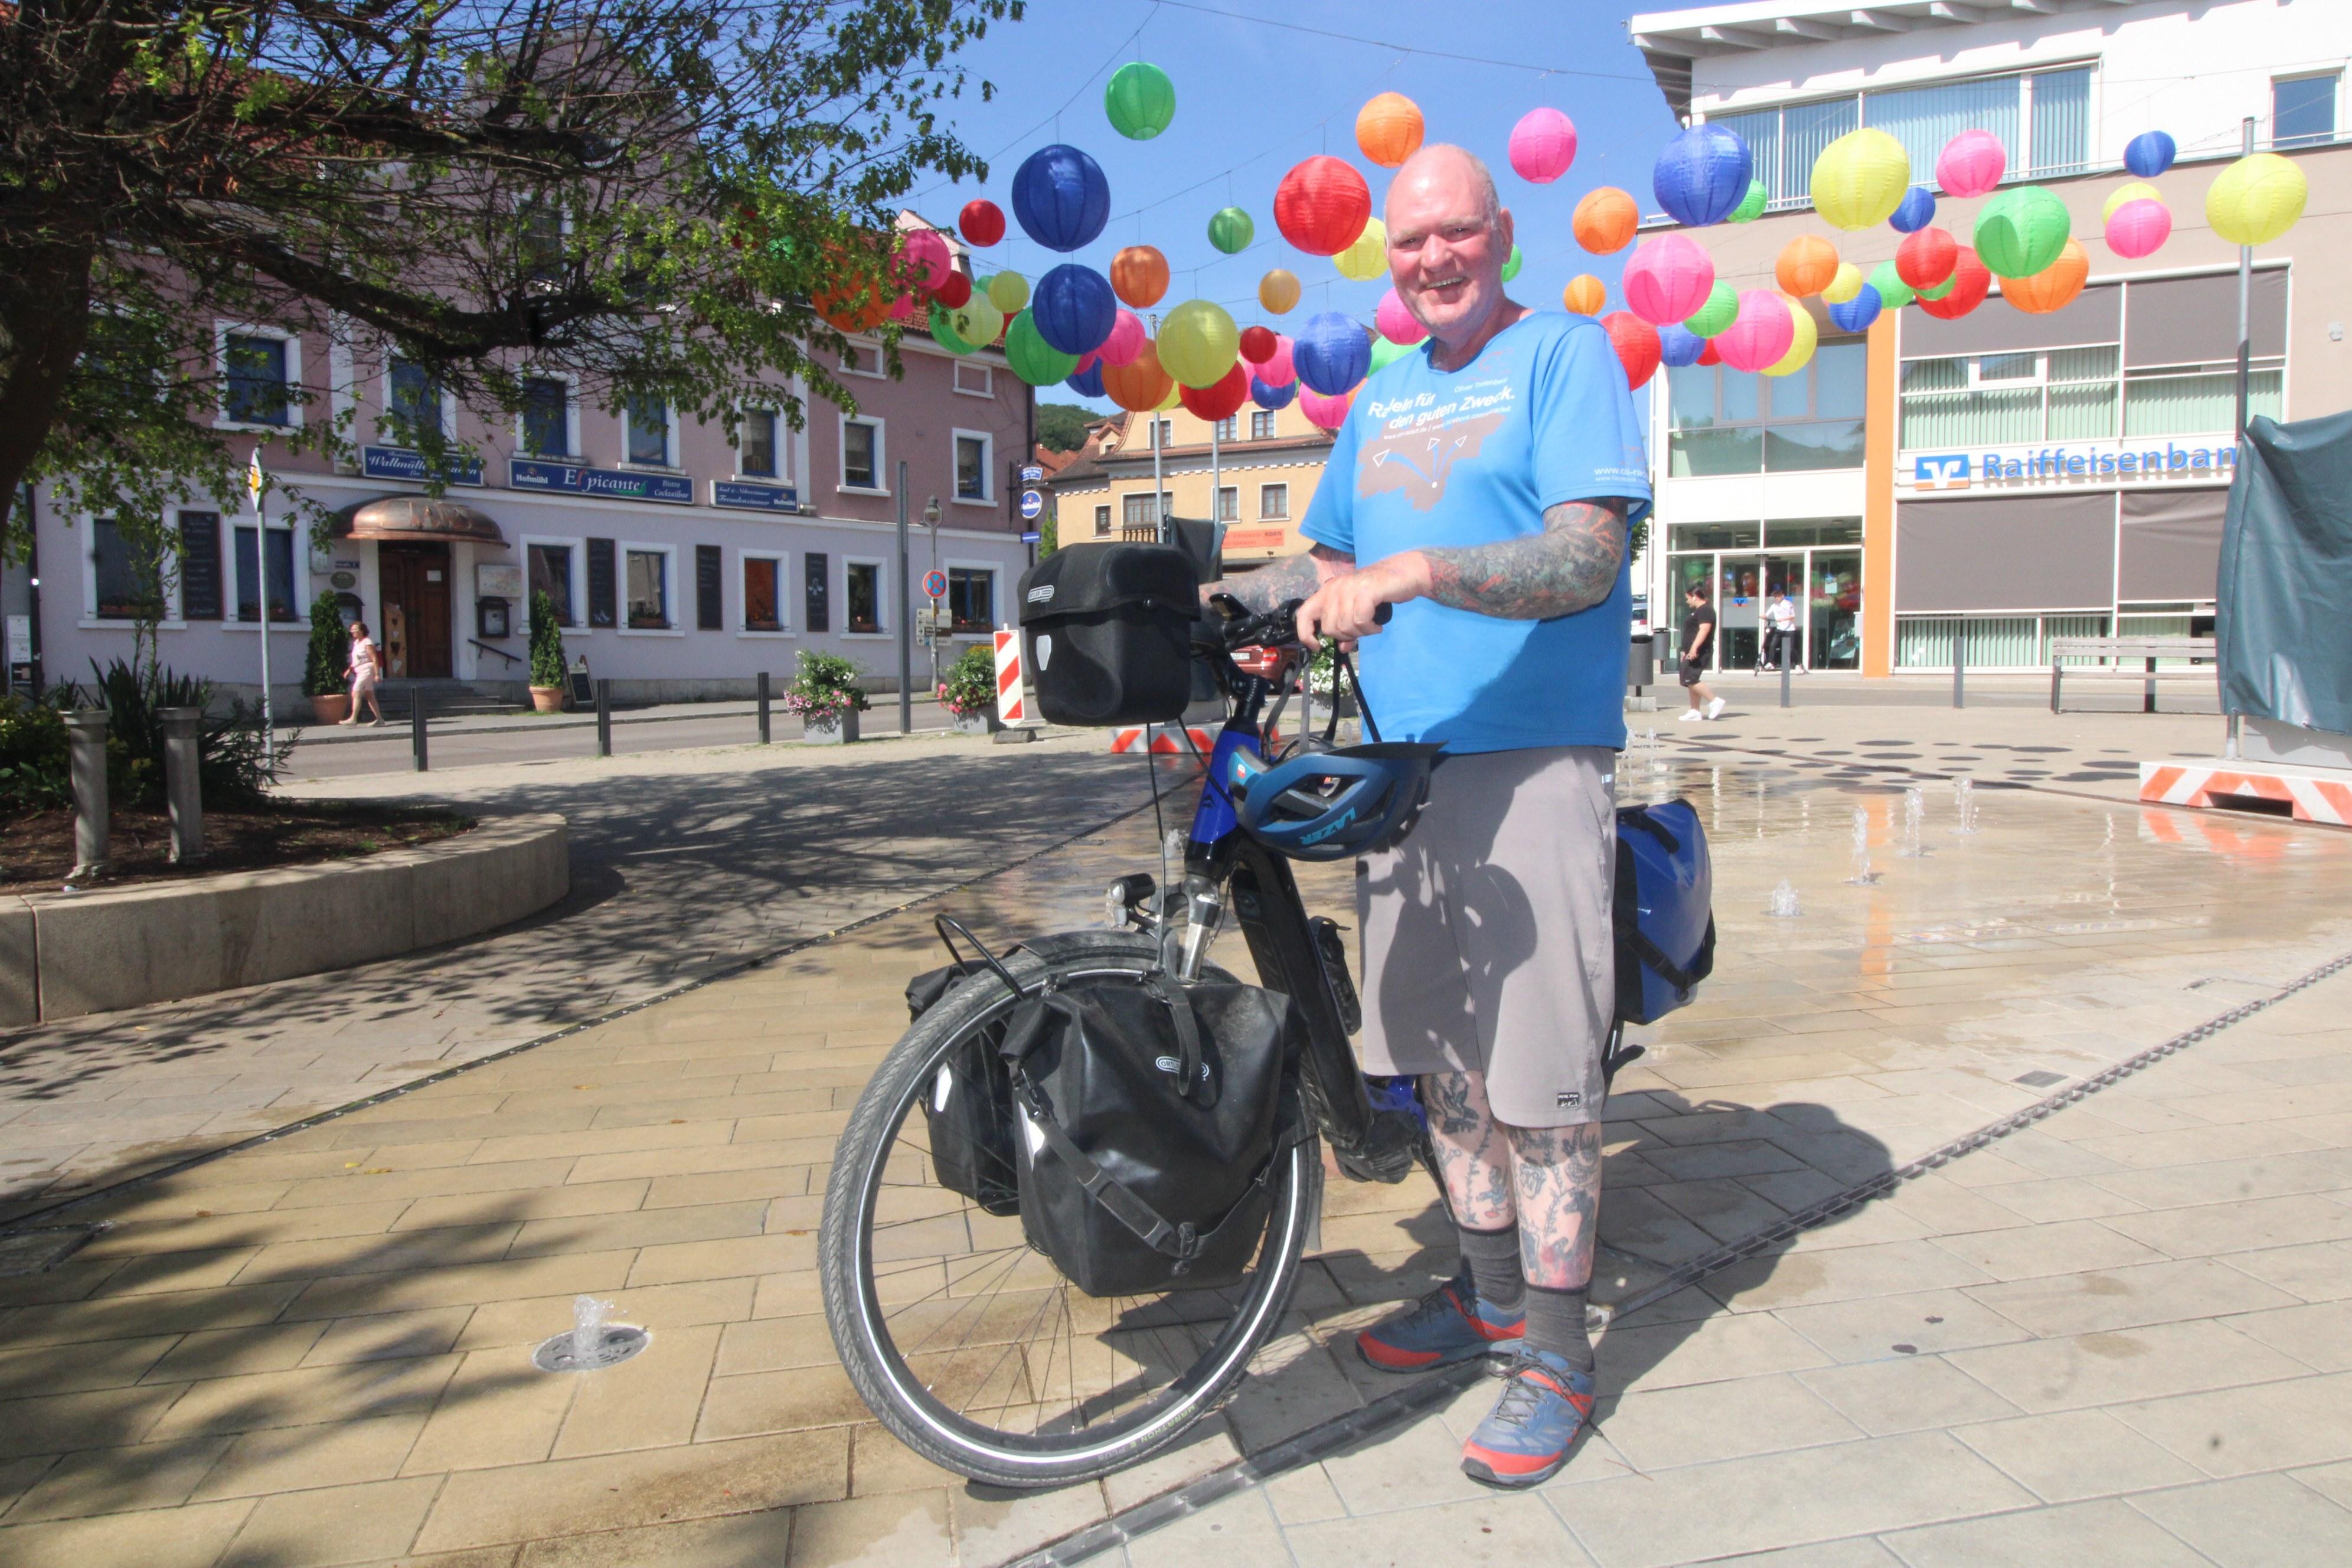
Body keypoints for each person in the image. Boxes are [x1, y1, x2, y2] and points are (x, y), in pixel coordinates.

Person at [1200, 143, 1648, 1488]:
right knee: (1442, 1069)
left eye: (1455, 233)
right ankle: (1488, 1288)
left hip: (1530, 761)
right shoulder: (1383, 400)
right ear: (1385, 258)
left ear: (1500, 233)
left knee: (1545, 1081)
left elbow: (1587, 553)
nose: (1432, 257)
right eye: (1409, 242)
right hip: (1396, 775)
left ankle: (1559, 1353)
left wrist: (1423, 568)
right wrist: (1229, 601)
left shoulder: (1565, 360)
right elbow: (1328, 563)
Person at [1678, 584, 1723, 721]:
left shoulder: (1706, 610)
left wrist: (1694, 648)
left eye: (1688, 598)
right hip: (1692, 651)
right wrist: (1685, 650)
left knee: (1690, 678)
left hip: (1701, 651)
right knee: (1689, 679)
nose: (1687, 601)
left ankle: (1714, 701)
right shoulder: (1699, 611)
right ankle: (1695, 711)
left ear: (1695, 597)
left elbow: (1704, 630)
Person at [342, 619, 384, 726]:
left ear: (362, 631)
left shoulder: (367, 642)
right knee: (369, 695)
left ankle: (353, 718)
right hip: (359, 670)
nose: (353, 632)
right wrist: (349, 670)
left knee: (356, 692)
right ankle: (380, 720)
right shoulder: (356, 643)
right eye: (352, 630)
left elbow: (375, 658)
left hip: (367, 670)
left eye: (355, 630)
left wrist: (377, 674)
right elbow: (356, 661)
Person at [1765, 588, 1799, 674]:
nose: (1777, 598)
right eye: (1775, 597)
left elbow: (1792, 616)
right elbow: (1767, 614)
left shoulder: (1788, 604)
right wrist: (1763, 616)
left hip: (1789, 629)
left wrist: (1783, 619)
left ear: (1782, 596)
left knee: (1791, 649)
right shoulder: (1774, 606)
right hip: (1780, 629)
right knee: (1773, 645)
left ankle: (1798, 664)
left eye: (1778, 597)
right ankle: (1771, 662)